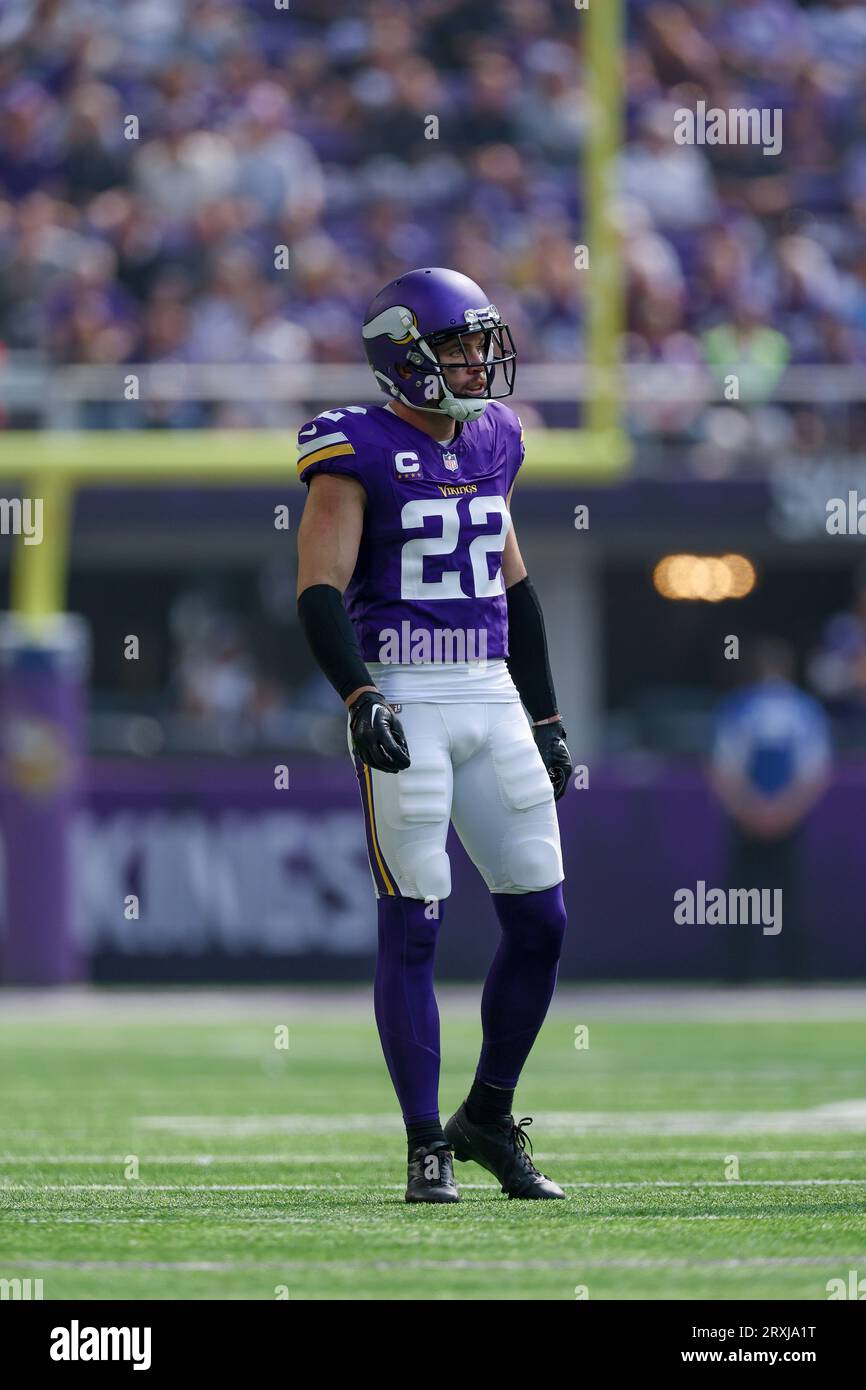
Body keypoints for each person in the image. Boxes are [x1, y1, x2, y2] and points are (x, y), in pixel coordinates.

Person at [296, 267, 572, 1202]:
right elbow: (319, 589)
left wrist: (547, 716)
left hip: (489, 690)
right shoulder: (357, 447)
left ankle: (487, 1117)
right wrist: (359, 694)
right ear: (403, 358)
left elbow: (516, 587)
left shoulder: (495, 436)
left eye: (481, 344)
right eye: (458, 346)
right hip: (406, 689)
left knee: (541, 920)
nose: (478, 363)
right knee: (414, 924)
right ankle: (425, 1144)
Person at [709, 638, 831, 983]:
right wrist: (780, 811)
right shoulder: (803, 709)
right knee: (786, 897)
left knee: (748, 899)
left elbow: (724, 770)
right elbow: (814, 772)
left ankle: (740, 976)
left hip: (753, 819)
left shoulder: (741, 707)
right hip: (777, 819)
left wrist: (752, 809)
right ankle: (794, 975)